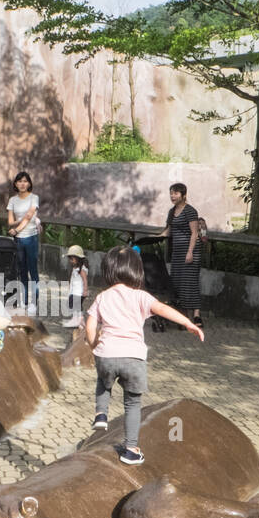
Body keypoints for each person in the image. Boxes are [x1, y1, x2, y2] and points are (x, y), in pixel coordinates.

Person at [86, 247, 202, 465]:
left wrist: (95, 346)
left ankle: (101, 415)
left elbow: (90, 327)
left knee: (103, 380)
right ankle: (131, 450)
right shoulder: (141, 296)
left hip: (107, 354)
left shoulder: (102, 297)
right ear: (137, 271)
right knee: (132, 404)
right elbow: (162, 308)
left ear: (108, 270)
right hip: (134, 357)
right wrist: (187, 322)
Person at [157, 183, 204, 328]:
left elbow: (194, 233)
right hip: (177, 252)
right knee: (177, 281)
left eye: (176, 193)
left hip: (191, 251)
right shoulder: (172, 212)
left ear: (184, 195)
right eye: (171, 193)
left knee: (190, 281)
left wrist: (190, 252)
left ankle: (196, 315)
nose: (173, 196)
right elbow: (168, 231)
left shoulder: (190, 211)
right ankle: (182, 314)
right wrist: (152, 238)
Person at [5, 171, 41, 313]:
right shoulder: (12, 200)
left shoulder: (34, 198)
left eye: (25, 181)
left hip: (31, 238)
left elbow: (29, 215)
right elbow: (10, 222)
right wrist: (18, 224)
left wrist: (17, 229)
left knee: (33, 271)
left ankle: (34, 302)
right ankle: (24, 302)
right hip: (18, 241)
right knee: (22, 271)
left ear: (30, 183)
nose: (22, 184)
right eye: (19, 181)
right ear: (15, 184)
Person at [63, 245, 89, 328]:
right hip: (74, 291)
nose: (71, 261)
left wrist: (85, 290)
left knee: (74, 305)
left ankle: (75, 319)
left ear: (78, 258)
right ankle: (80, 320)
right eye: (70, 259)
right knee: (77, 306)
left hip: (79, 292)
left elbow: (85, 280)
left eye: (72, 258)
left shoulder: (81, 270)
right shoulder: (76, 268)